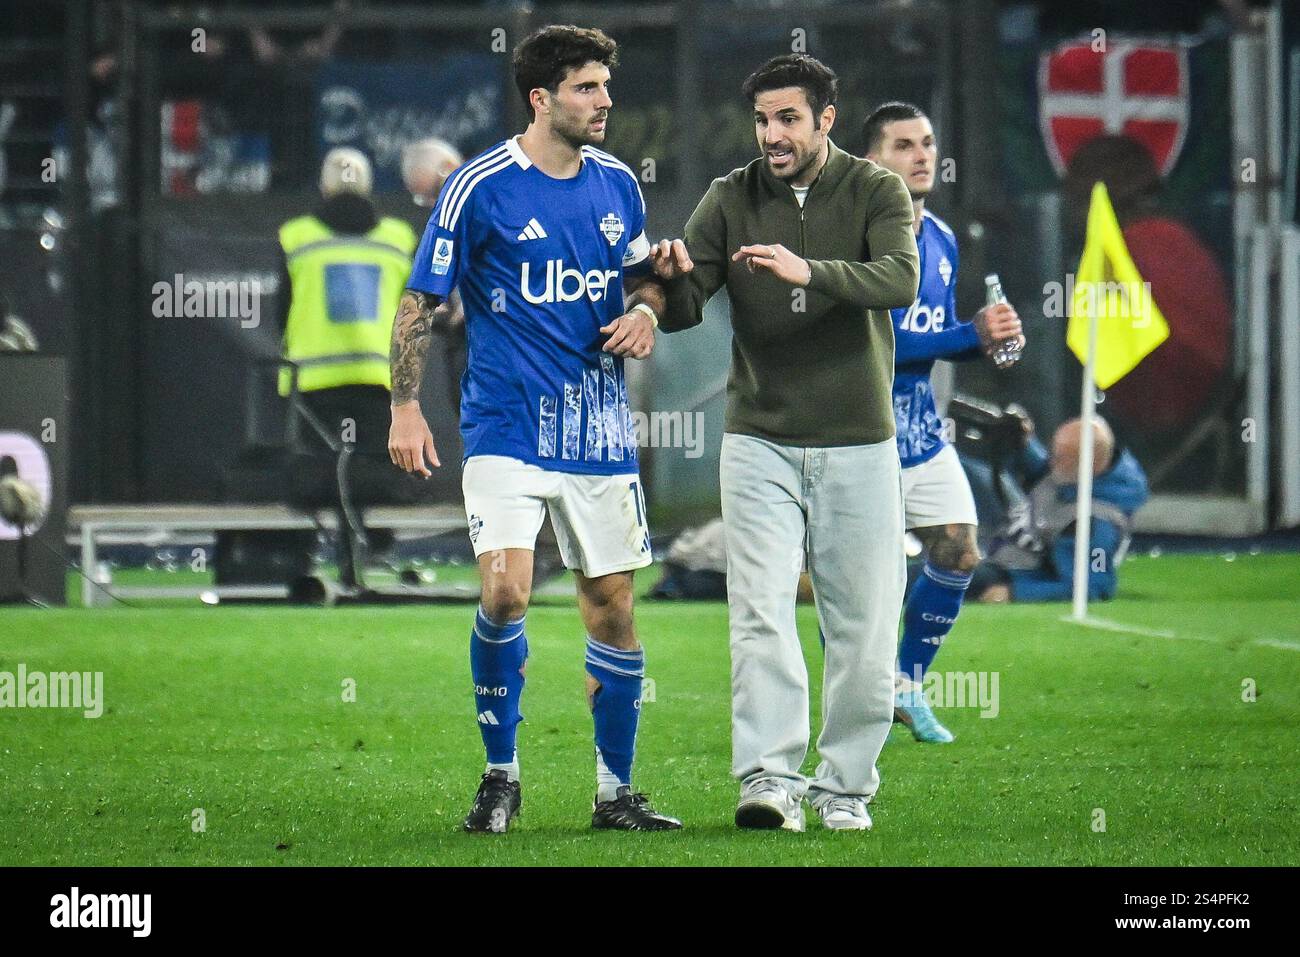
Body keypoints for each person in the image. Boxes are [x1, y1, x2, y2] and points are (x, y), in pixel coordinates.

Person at [387, 25, 692, 834]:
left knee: (613, 610)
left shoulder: (619, 184)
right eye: (588, 87)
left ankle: (616, 793)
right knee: (506, 590)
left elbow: (645, 283)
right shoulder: (478, 186)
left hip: (597, 434)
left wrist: (644, 311)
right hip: (505, 427)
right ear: (541, 98)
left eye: (604, 86)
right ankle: (500, 775)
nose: (604, 101)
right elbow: (420, 300)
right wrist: (405, 405)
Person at [660, 54, 919, 832]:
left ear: (825, 120)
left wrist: (811, 269)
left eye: (788, 119)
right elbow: (684, 306)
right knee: (759, 614)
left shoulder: (878, 190)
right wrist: (666, 279)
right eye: (763, 120)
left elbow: (899, 279)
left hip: (860, 441)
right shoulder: (728, 197)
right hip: (759, 439)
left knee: (865, 631)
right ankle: (770, 780)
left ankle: (844, 788)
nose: (771, 134)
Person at [861, 102, 1024, 743]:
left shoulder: (944, 239)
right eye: (904, 145)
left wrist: (993, 338)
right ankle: (857, 704)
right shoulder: (860, 237)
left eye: (927, 142)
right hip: (859, 437)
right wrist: (971, 335)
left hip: (921, 434)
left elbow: (936, 339)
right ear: (873, 160)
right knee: (859, 586)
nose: (922, 155)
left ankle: (905, 683)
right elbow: (879, 343)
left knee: (959, 548)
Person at [277, 148, 420, 577]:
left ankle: (322, 554)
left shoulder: (296, 236)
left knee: (320, 470)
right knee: (372, 468)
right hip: (377, 378)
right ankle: (371, 548)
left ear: (324, 185)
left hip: (315, 380)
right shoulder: (398, 238)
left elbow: (281, 311)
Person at [970, 414, 1149, 603]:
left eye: (1060, 456)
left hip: (1014, 572)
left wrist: (1016, 592)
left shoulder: (1097, 523)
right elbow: (1044, 469)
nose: (1051, 461)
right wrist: (1024, 444)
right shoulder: (1071, 474)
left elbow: (1095, 586)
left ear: (1091, 462)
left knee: (942, 575)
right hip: (996, 551)